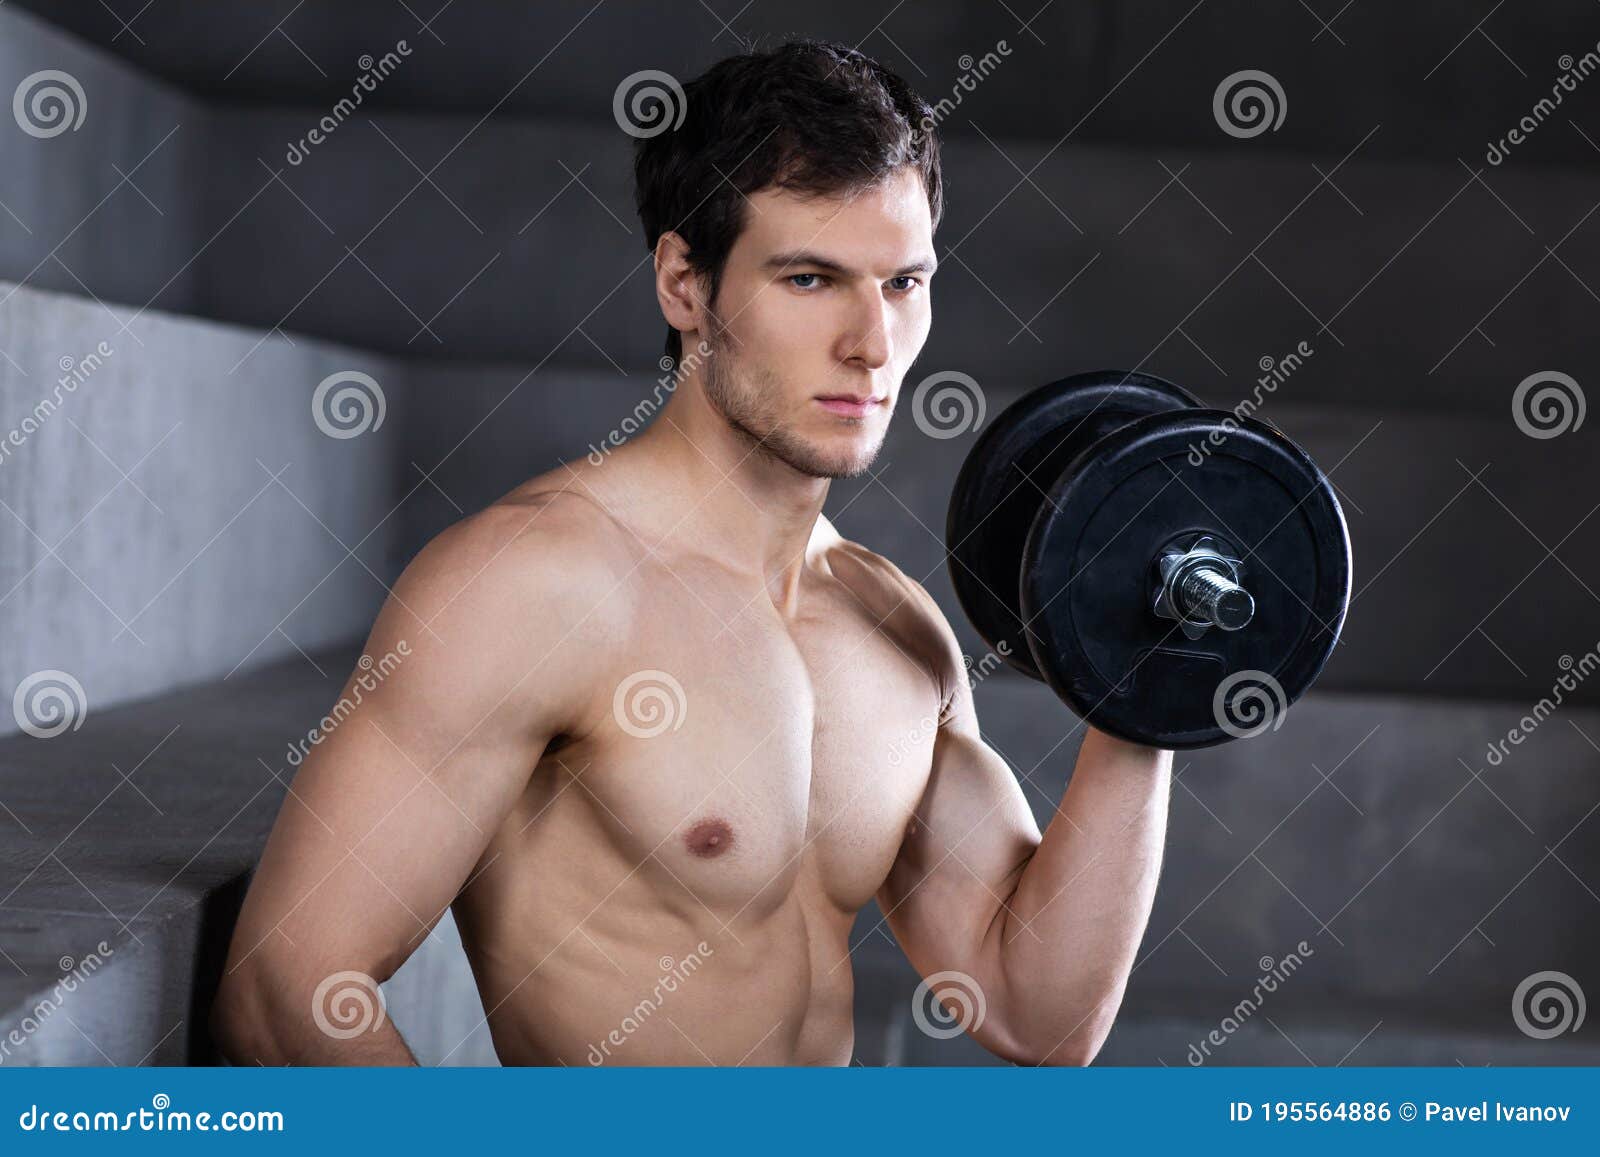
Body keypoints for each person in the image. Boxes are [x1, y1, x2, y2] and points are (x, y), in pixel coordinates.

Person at [210, 38, 1171, 1067]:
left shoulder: (891, 622)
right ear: (684, 283)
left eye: (902, 282)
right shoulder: (536, 584)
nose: (872, 343)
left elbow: (1035, 1011)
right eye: (810, 278)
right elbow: (286, 982)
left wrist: (1146, 691)